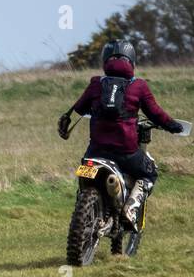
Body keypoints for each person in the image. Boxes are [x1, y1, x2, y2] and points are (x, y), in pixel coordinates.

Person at [58, 39, 184, 224]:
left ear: (104, 61)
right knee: (149, 173)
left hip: (96, 151)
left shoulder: (96, 83)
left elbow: (79, 108)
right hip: (126, 152)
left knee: (85, 172)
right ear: (132, 61)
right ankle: (131, 208)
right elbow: (156, 113)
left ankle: (82, 207)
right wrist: (173, 126)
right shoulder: (139, 86)